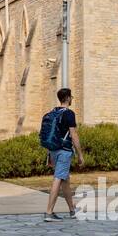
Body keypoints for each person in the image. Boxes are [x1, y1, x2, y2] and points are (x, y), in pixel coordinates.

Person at [41, 88, 84, 221]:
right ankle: (49, 212)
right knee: (58, 179)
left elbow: (51, 135)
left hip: (53, 150)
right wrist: (80, 154)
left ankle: (72, 210)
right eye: (71, 97)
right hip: (64, 151)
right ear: (68, 98)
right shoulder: (69, 114)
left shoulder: (51, 113)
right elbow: (74, 135)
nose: (71, 99)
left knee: (65, 180)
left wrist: (49, 155)